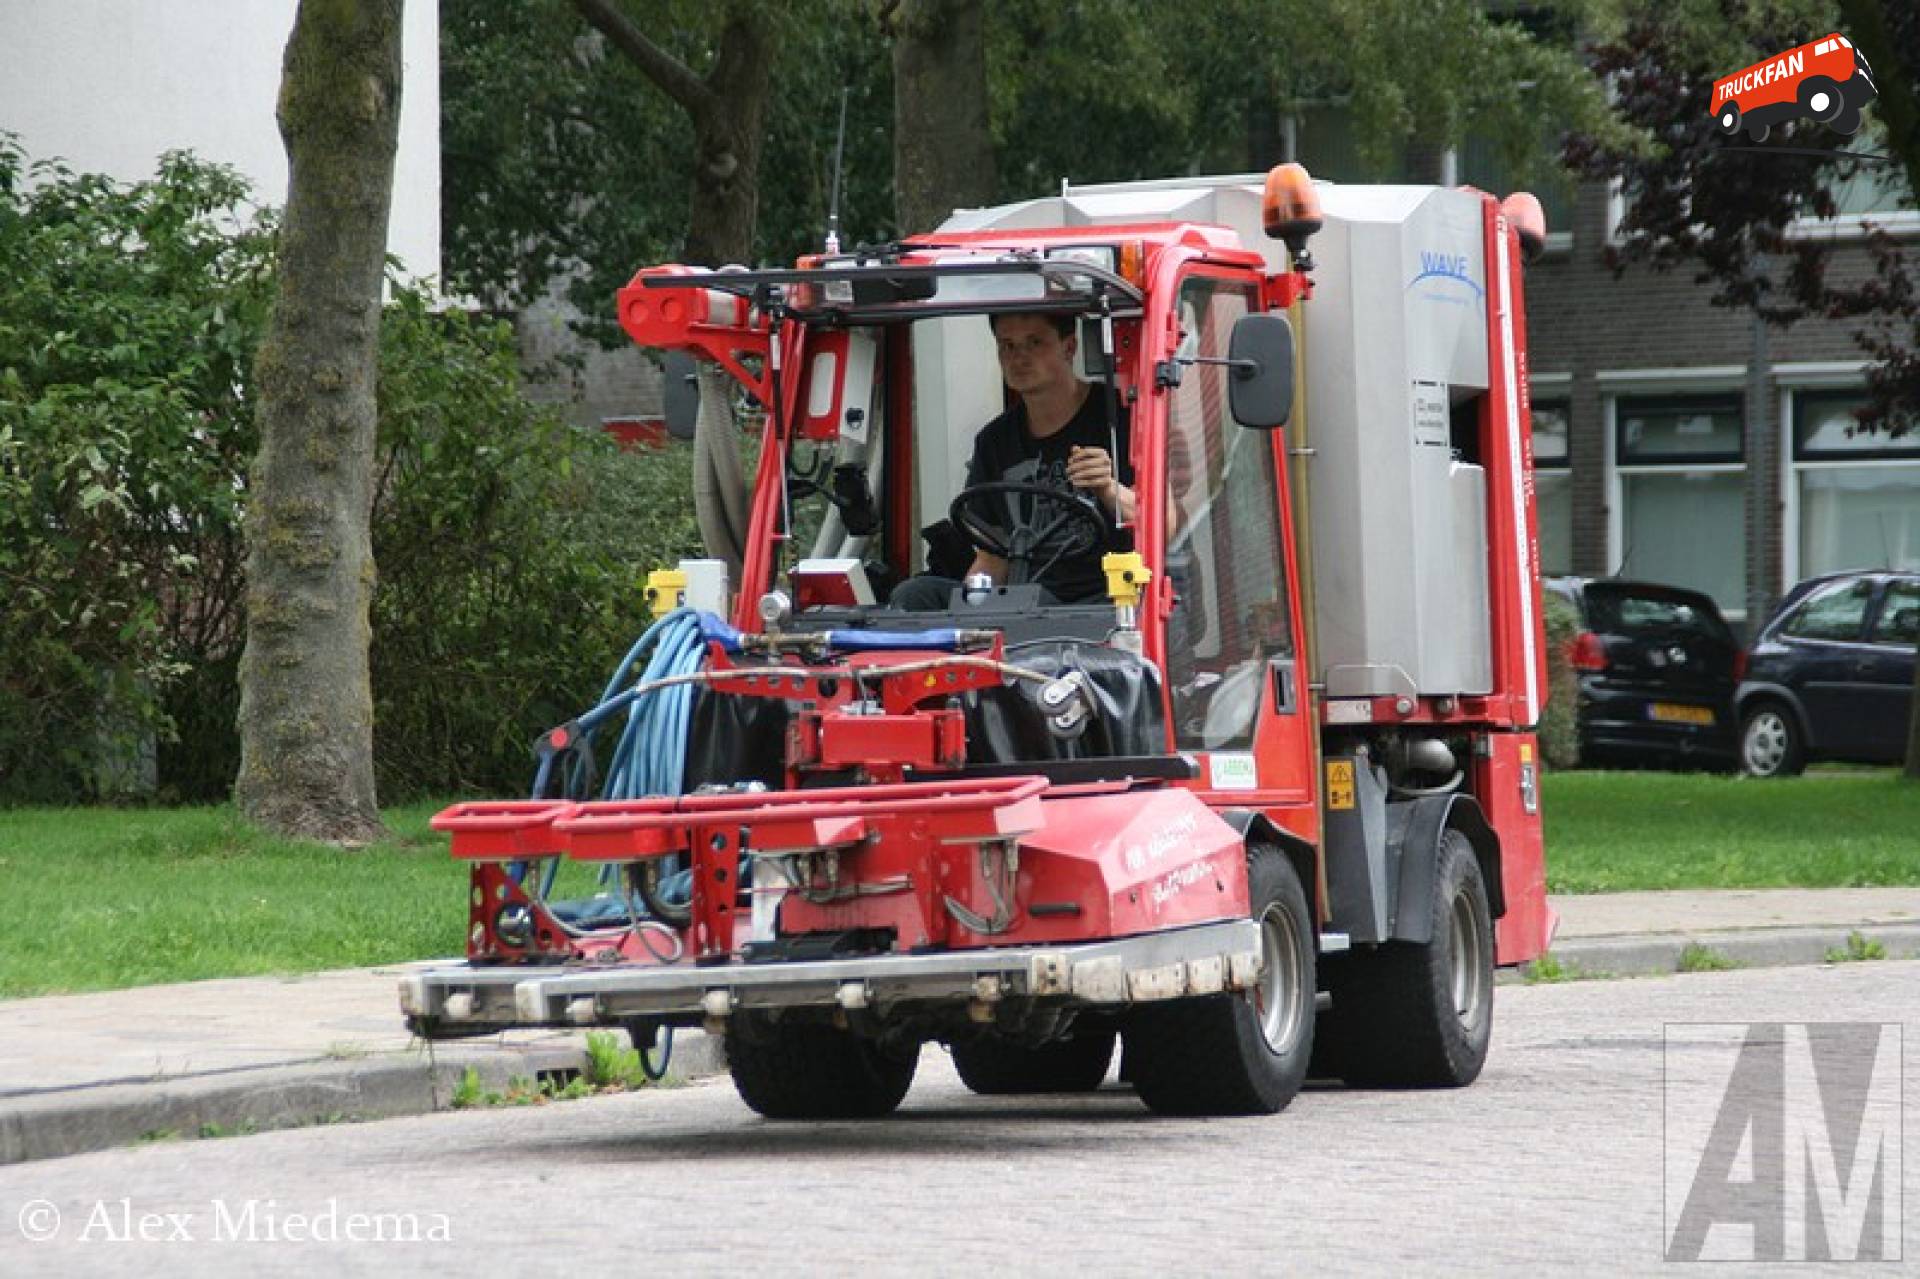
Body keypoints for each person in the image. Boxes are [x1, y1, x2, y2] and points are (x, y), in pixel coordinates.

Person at [891, 312, 1134, 609]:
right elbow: (992, 557)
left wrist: (1108, 489)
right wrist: (969, 609)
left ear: (1069, 347)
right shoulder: (994, 442)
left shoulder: (1119, 418)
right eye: (1007, 346)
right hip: (1025, 602)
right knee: (914, 595)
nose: (1019, 357)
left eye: (1034, 343)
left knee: (1031, 603)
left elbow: (1168, 524)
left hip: (1106, 600)